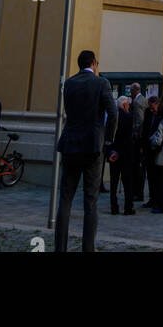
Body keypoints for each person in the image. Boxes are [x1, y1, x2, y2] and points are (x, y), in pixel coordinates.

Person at [54, 50, 117, 252]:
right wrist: (108, 139)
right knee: (90, 201)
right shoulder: (101, 83)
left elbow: (69, 111)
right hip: (92, 147)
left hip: (70, 144)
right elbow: (113, 112)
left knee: (65, 199)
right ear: (93, 63)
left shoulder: (69, 83)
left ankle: (60, 248)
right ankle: (88, 249)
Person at [109, 96, 135, 215]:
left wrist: (112, 151)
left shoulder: (112, 116)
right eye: (128, 105)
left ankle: (114, 207)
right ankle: (128, 208)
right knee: (128, 182)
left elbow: (109, 136)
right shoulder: (128, 117)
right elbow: (127, 138)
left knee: (113, 183)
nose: (129, 106)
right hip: (125, 154)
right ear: (124, 105)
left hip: (113, 154)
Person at [140, 94, 160, 205]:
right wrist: (143, 146)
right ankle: (152, 198)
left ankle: (157, 198)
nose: (152, 110)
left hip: (157, 149)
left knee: (157, 177)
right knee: (150, 176)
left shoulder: (161, 114)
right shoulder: (148, 112)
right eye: (150, 107)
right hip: (148, 148)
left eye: (153, 107)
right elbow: (145, 129)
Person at [129, 83, 147, 201]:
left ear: (135, 91)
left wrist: (135, 136)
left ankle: (138, 192)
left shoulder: (137, 102)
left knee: (137, 168)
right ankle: (138, 192)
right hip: (141, 139)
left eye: (130, 91)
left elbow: (139, 121)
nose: (130, 93)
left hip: (137, 139)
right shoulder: (143, 99)